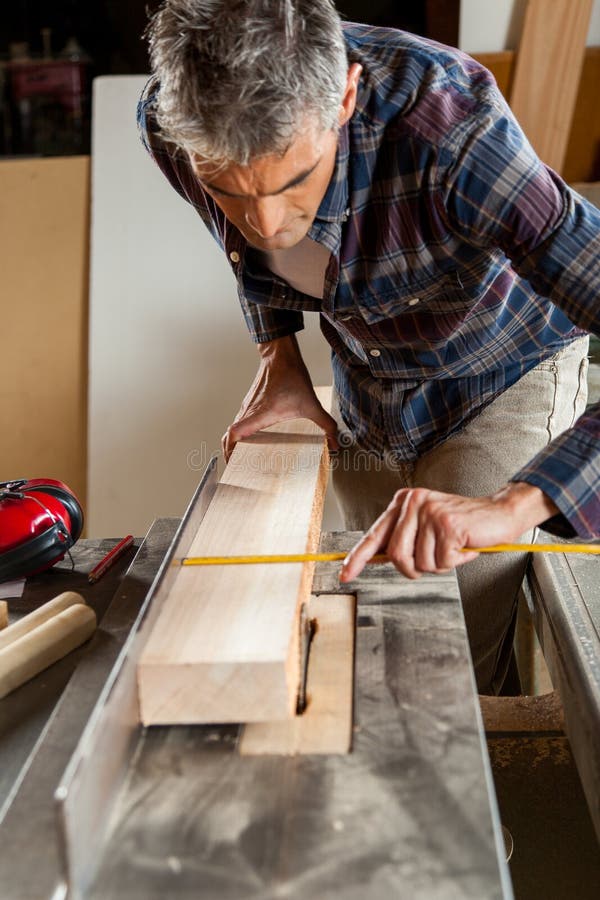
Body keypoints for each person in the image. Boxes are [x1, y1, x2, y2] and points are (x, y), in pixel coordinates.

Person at [138, 0, 599, 694]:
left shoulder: (451, 127)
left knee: (446, 656)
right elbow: (250, 247)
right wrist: (279, 359)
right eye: (227, 188)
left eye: (294, 180)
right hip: (371, 379)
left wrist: (514, 505)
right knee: (381, 625)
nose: (267, 223)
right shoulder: (170, 121)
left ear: (346, 97)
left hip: (503, 369)